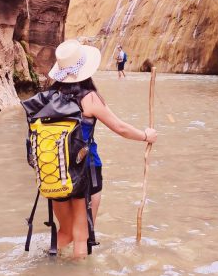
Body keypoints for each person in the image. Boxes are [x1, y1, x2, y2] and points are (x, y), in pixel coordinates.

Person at [48, 39, 157, 257]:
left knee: (65, 232)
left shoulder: (48, 98)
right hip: (84, 172)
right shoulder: (89, 98)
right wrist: (146, 135)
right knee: (82, 234)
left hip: (54, 170)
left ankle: (47, 268)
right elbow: (120, 128)